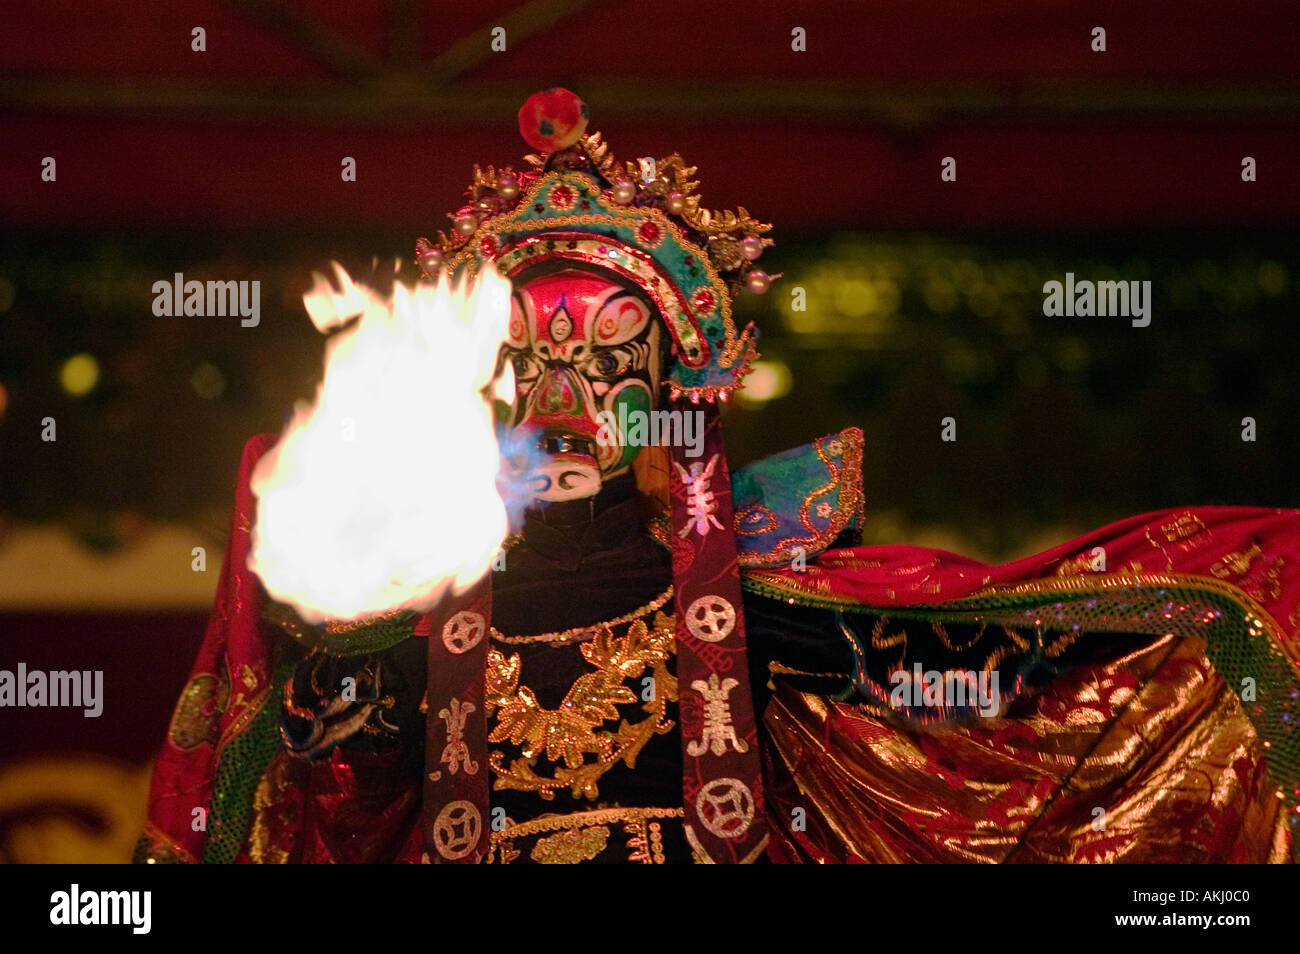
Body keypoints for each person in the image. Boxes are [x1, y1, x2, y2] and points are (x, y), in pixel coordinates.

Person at [137, 90, 1299, 864]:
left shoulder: (755, 593)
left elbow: (983, 658)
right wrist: (304, 622)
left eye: (603, 363)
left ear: (669, 388)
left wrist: (1201, 603)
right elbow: (329, 770)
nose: (561, 405)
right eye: (531, 365)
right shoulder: (416, 603)